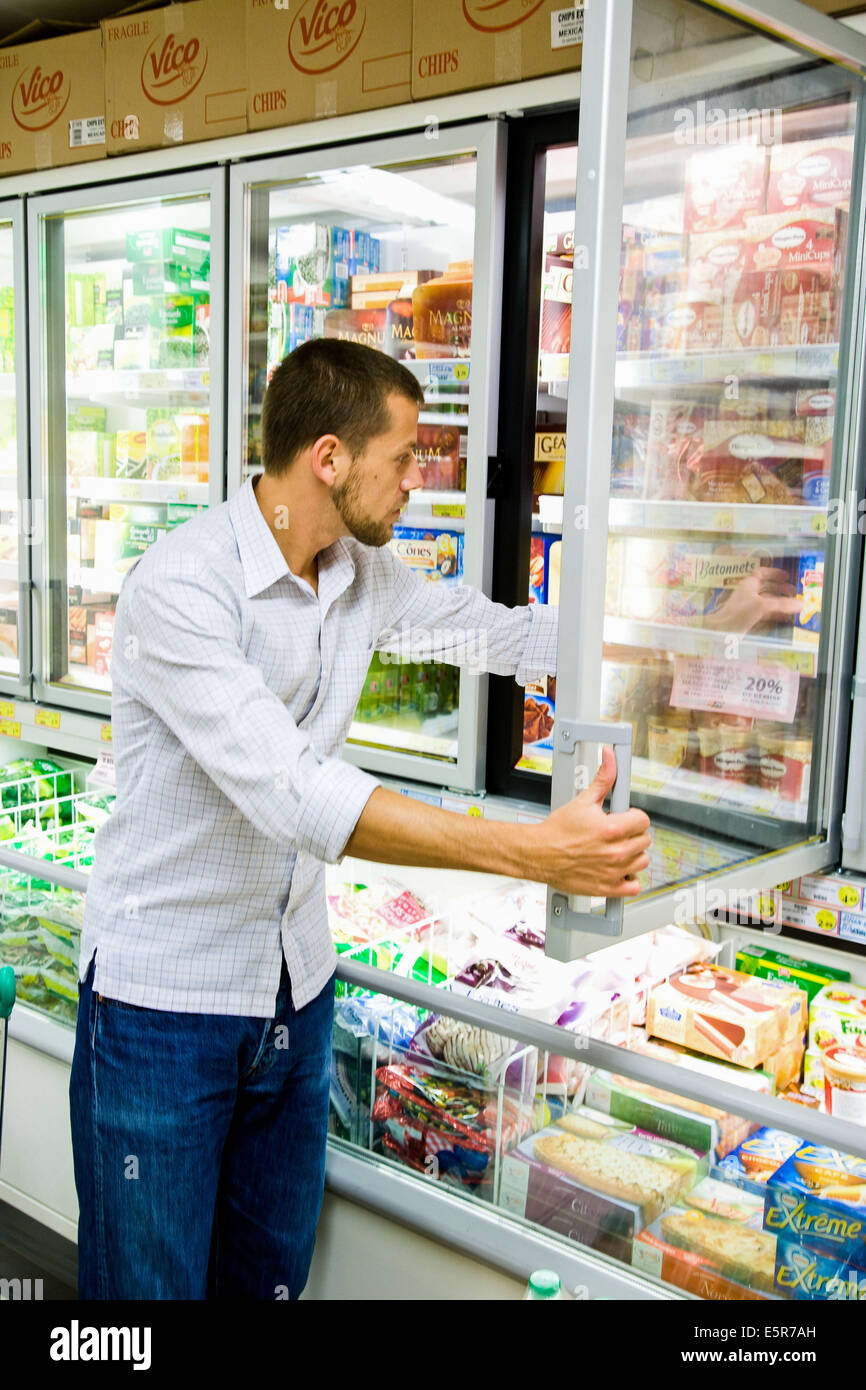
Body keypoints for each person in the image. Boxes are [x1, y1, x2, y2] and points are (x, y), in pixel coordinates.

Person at [70, 339, 651, 1300]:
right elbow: (297, 792)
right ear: (330, 458)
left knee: (267, 1282)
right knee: (145, 1295)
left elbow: (502, 633)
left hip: (294, 995)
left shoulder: (359, 574)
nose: (418, 481)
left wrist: (682, 631)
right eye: (407, 457)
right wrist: (533, 853)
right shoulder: (183, 586)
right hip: (162, 1011)